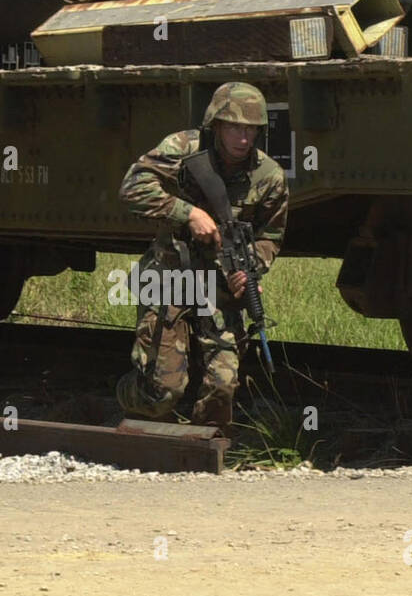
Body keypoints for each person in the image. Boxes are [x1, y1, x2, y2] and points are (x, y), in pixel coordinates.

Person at [115, 81, 288, 435]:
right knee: (162, 392)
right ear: (216, 125)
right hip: (170, 278)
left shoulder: (268, 176)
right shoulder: (183, 147)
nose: (244, 137)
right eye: (236, 127)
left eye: (252, 129)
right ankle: (129, 396)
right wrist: (187, 213)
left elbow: (271, 235)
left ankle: (199, 445)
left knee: (222, 389)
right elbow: (132, 187)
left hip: (220, 287)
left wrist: (249, 270)